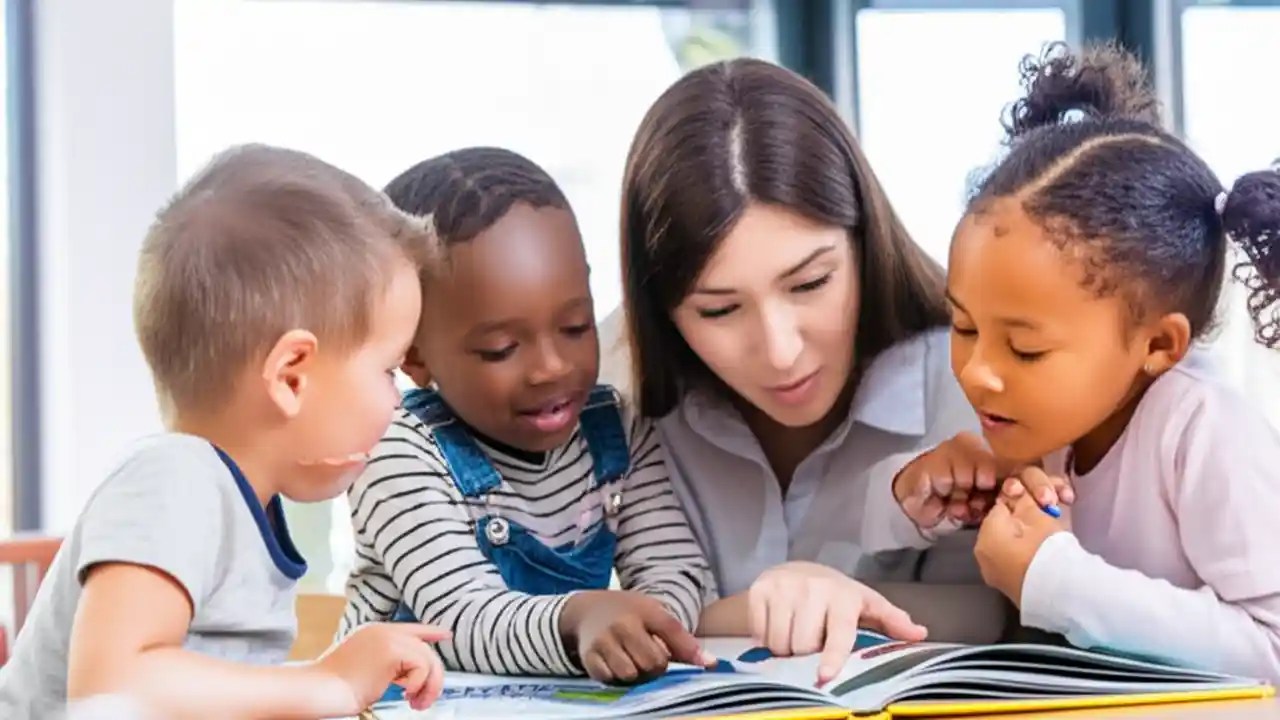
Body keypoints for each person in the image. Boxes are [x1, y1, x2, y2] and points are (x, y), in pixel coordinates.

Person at [0, 145, 448, 719]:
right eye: (387, 369)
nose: (401, 396)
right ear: (291, 377)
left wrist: (321, 675)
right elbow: (111, 689)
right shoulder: (173, 482)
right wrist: (323, 686)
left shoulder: (234, 503)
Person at [618, 58, 1002, 683]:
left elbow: (1004, 611)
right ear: (661, 307)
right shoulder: (608, 389)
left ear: (864, 241)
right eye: (719, 310)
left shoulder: (974, 374)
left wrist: (828, 603)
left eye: (811, 283)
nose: (779, 351)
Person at [941, 42, 1280, 681]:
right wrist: (943, 500)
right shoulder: (1046, 430)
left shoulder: (1205, 432)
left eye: (1025, 348)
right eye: (962, 325)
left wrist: (1057, 580)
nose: (975, 370)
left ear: (1157, 347)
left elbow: (1274, 646)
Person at [339, 147, 717, 687]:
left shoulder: (616, 430)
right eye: (500, 349)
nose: (551, 367)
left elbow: (674, 567)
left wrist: (649, 628)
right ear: (414, 354)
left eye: (575, 326)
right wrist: (579, 618)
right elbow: (459, 619)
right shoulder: (397, 453)